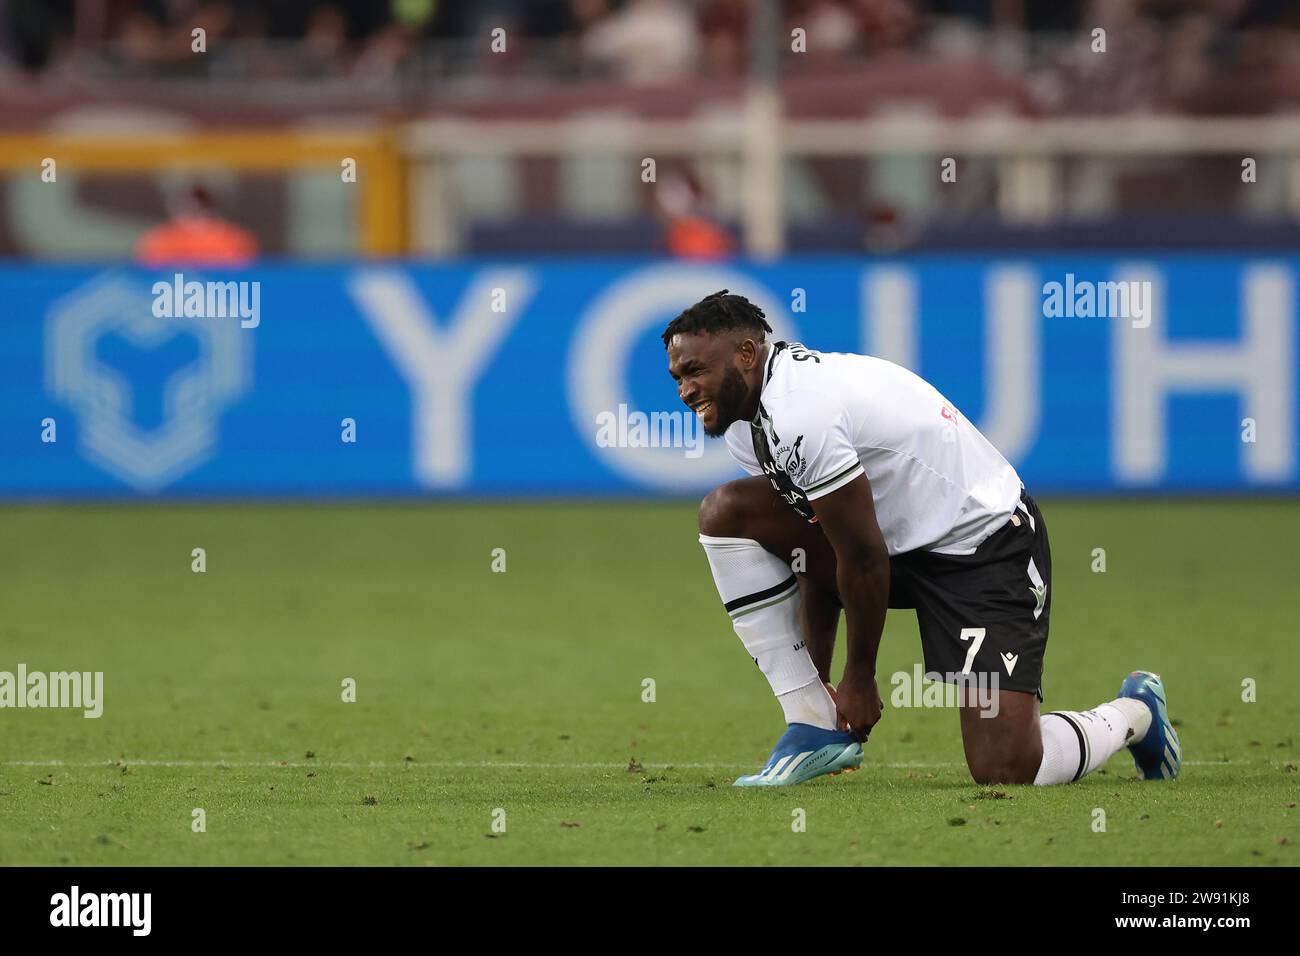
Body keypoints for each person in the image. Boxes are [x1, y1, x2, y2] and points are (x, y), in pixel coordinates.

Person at [663, 290, 1181, 788]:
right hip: (895, 546)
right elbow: (815, 555)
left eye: (695, 371)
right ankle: (808, 721)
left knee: (1006, 768)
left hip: (982, 546)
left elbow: (861, 559)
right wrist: (820, 700)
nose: (685, 390)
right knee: (726, 512)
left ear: (747, 354)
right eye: (678, 377)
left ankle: (1135, 712)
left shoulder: (801, 412)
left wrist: (859, 679)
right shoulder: (745, 425)